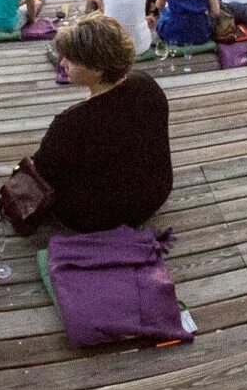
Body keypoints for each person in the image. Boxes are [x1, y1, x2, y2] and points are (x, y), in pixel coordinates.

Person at [29, 14, 172, 231]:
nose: (63, 63)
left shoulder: (70, 123)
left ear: (97, 68)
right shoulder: (147, 85)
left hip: (97, 218)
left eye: (71, 59)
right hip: (155, 194)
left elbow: (43, 172)